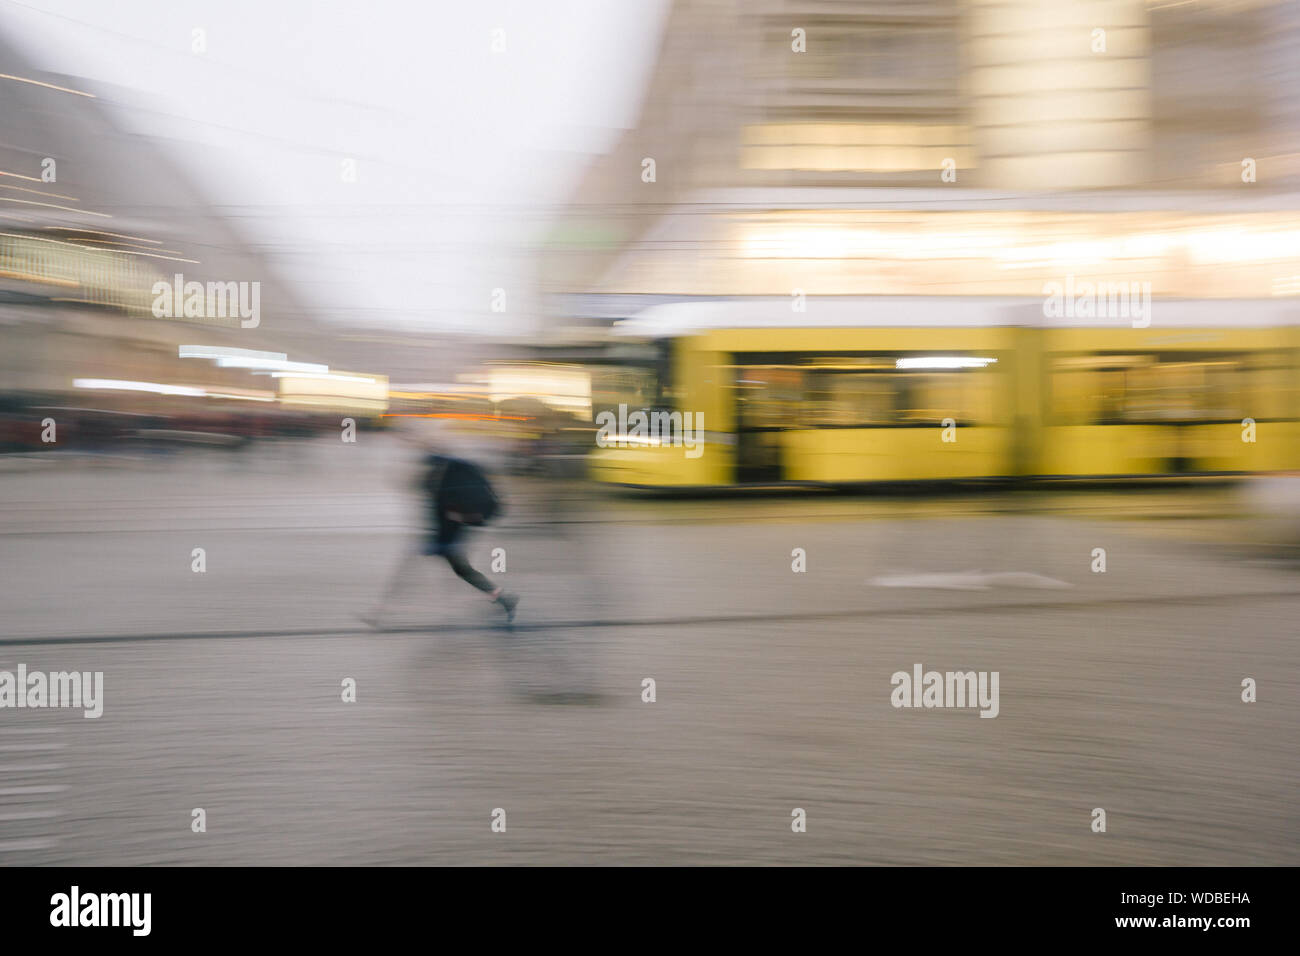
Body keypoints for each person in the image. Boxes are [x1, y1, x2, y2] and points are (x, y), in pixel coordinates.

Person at [365, 435, 519, 627]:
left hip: (446, 534)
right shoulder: (450, 471)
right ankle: (502, 597)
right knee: (462, 570)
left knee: (412, 568)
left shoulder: (442, 476)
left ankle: (379, 612)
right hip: (449, 532)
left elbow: (434, 499)